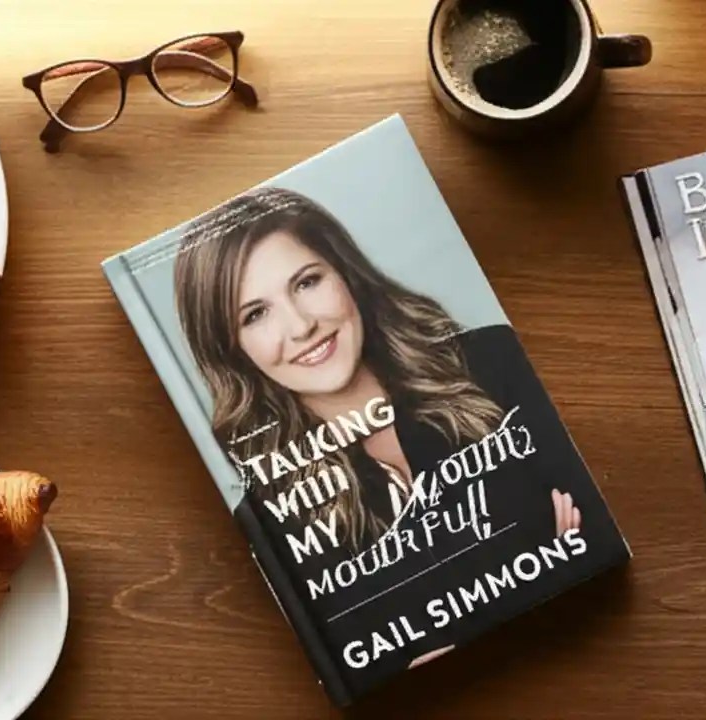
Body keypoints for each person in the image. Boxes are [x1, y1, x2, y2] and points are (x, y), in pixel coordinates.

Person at [173, 187, 623, 695]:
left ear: (346, 274)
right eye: (254, 315)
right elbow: (374, 674)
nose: (300, 326)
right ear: (230, 349)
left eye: (307, 282)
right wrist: (546, 562)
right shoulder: (270, 515)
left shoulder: (492, 361)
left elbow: (600, 544)